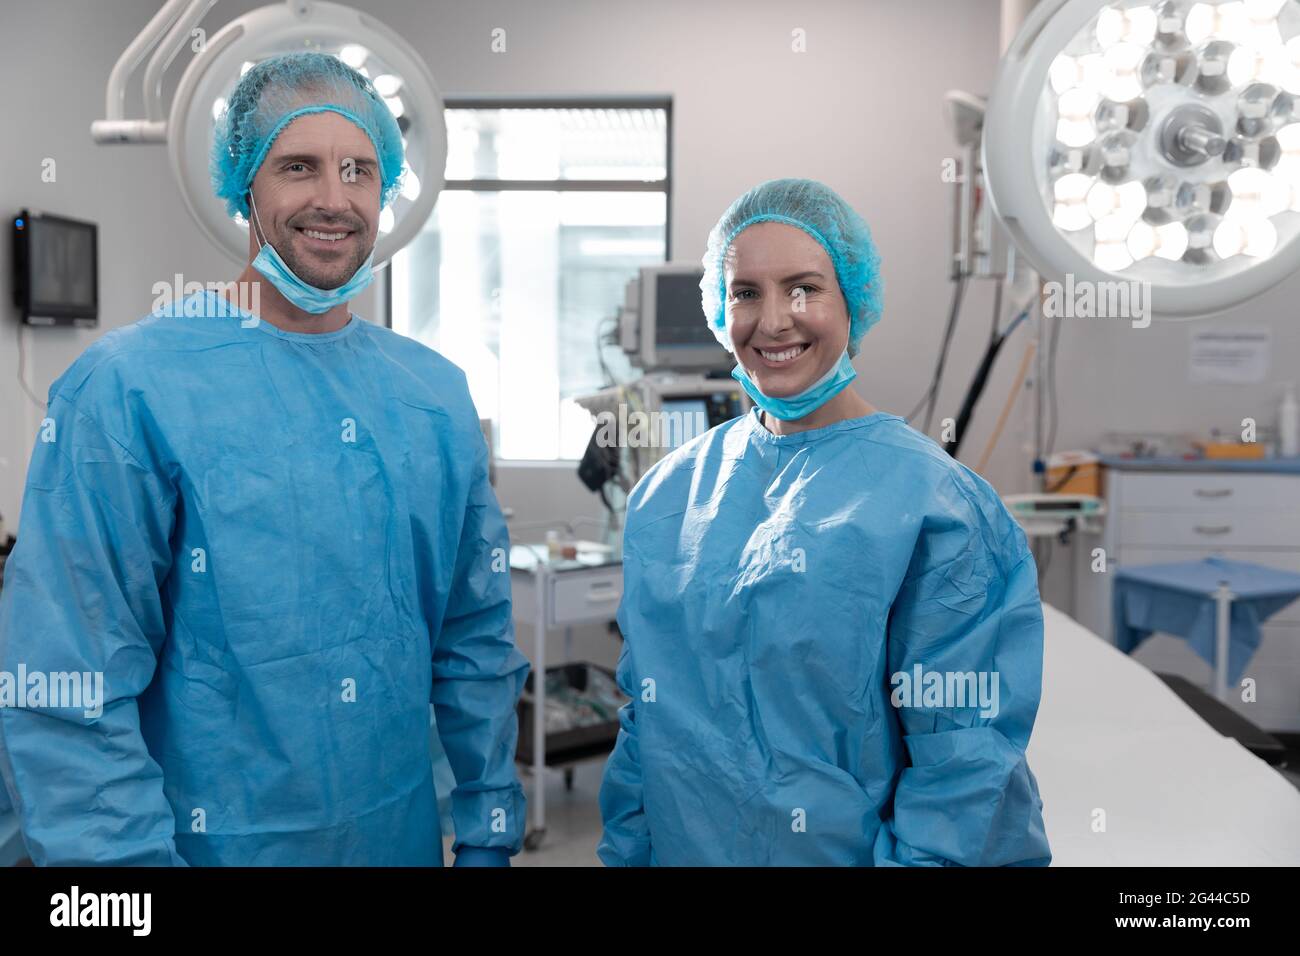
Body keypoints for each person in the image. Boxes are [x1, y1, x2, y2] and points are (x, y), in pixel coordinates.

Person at [0, 53, 528, 866]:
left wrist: (491, 827)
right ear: (244, 184)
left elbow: (474, 643)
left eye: (358, 170)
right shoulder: (128, 390)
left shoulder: (433, 398)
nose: (332, 197)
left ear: (385, 190)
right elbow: (71, 690)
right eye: (298, 167)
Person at [598, 178, 1051, 866]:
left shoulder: (938, 505)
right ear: (720, 310)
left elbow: (963, 761)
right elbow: (648, 725)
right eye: (746, 292)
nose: (775, 320)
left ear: (853, 301)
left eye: (803, 287)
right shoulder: (667, 495)